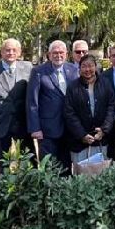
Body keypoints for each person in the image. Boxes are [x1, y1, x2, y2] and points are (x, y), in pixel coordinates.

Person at [0, 38, 33, 175]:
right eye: (7, 50)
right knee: (3, 167)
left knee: (29, 164)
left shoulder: (28, 68)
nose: (11, 53)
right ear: (1, 52)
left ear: (19, 52)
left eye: (14, 50)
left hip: (22, 125)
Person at [27, 40, 76, 172]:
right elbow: (32, 102)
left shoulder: (73, 69)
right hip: (47, 129)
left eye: (61, 53)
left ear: (66, 54)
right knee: (49, 167)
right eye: (55, 53)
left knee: (67, 166)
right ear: (49, 54)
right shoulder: (38, 72)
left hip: (69, 128)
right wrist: (35, 128)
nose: (58, 55)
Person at [63, 54, 115, 163]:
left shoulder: (105, 83)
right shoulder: (72, 87)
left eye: (90, 66)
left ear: (96, 67)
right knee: (81, 176)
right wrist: (82, 134)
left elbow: (111, 107)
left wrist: (104, 130)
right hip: (79, 141)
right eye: (84, 66)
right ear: (79, 68)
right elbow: (69, 113)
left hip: (100, 138)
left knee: (100, 174)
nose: (87, 69)